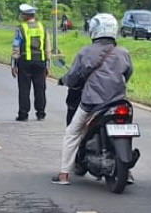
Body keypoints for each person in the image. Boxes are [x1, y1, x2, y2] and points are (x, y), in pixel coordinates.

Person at [52, 13, 132, 185]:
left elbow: (73, 76)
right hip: (119, 101)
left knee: (72, 133)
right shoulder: (123, 52)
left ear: (94, 30)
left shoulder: (86, 52)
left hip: (92, 102)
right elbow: (128, 73)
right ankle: (128, 171)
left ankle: (64, 174)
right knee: (125, 127)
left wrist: (64, 80)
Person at [11, 3, 48, 121]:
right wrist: (48, 64)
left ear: (26, 16)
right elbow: (48, 47)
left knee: (24, 88)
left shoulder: (21, 28)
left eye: (22, 14)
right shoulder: (42, 27)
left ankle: (23, 114)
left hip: (25, 61)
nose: (21, 16)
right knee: (40, 88)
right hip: (40, 61)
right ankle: (41, 113)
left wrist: (13, 65)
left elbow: (16, 47)